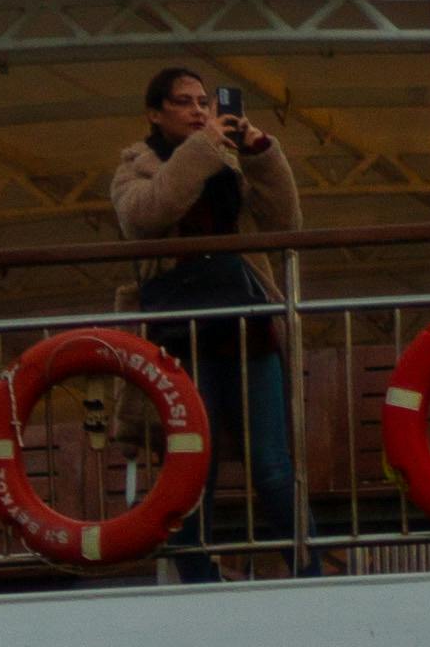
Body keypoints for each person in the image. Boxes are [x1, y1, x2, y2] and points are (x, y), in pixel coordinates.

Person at [113, 67, 305, 578]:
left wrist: (261, 152)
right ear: (155, 112)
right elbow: (145, 216)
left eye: (204, 101)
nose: (199, 110)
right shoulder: (135, 166)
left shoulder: (230, 161)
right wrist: (201, 150)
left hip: (247, 322)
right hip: (181, 331)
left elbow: (286, 223)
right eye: (184, 102)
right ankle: (199, 578)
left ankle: (307, 572)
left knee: (272, 464)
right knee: (194, 463)